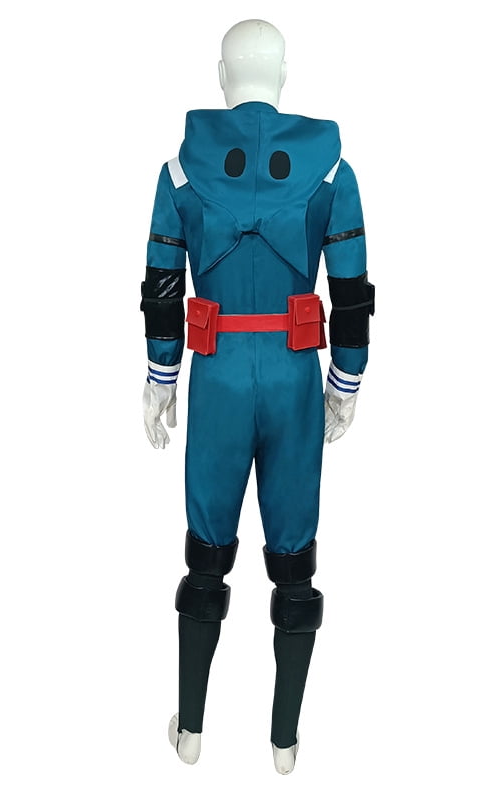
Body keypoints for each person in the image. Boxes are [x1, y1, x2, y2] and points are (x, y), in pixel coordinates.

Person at [140, 19, 374, 774]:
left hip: (216, 374)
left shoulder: (179, 171)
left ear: (221, 74)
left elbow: (162, 286)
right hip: (294, 371)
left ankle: (191, 731)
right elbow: (351, 290)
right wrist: (347, 380)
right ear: (283, 74)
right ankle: (284, 742)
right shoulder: (332, 172)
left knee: (206, 554)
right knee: (295, 558)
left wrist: (161, 377)